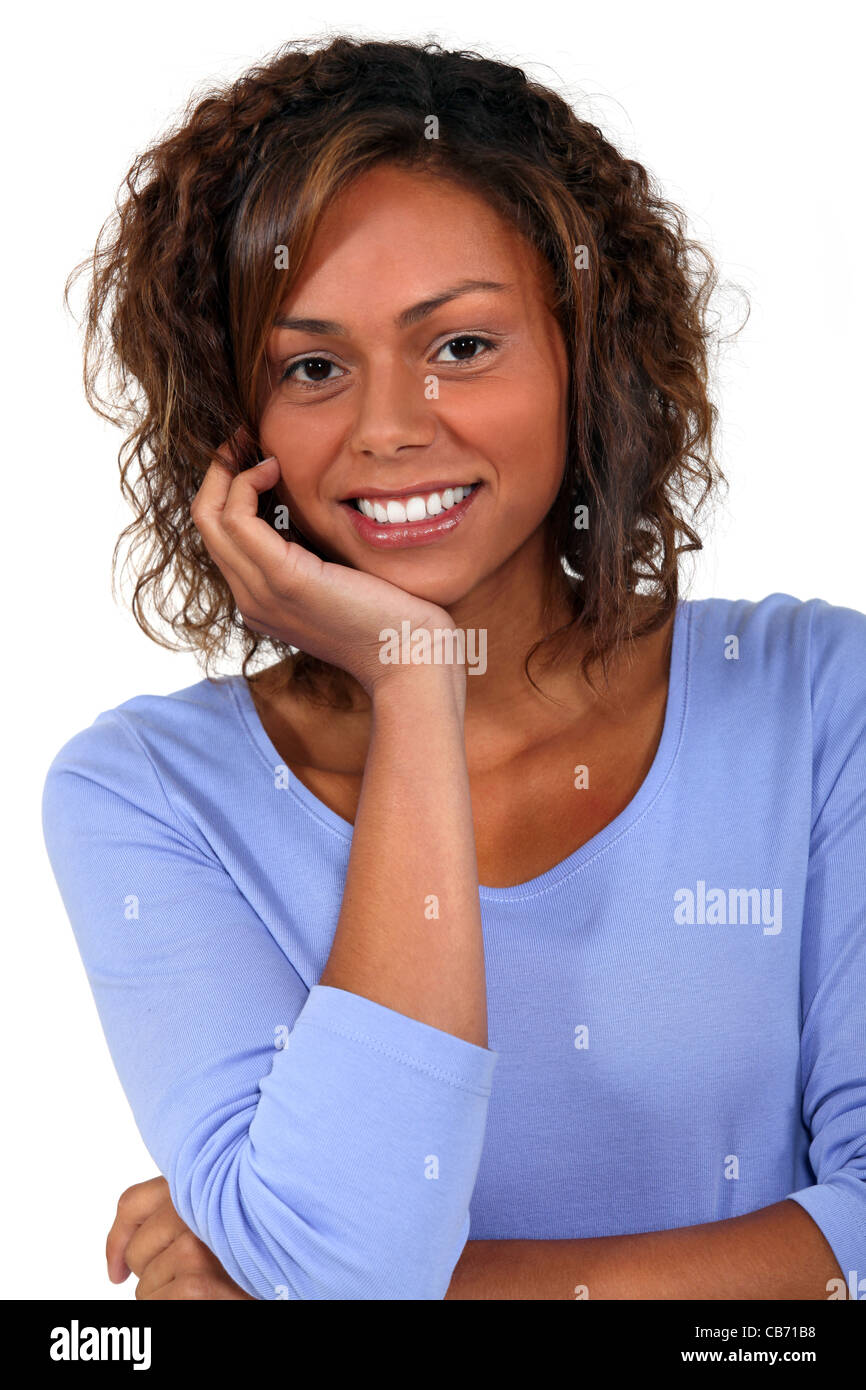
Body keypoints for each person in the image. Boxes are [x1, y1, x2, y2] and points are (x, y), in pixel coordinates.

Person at [42, 35, 866, 1300]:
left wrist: (345, 1293)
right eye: (311, 367)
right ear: (233, 418)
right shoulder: (144, 794)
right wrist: (413, 680)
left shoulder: (816, 698)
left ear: (582, 355)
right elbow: (349, 1256)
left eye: (462, 347)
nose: (386, 426)